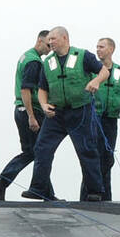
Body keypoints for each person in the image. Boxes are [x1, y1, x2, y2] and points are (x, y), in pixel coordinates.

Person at [23, 27, 107, 203]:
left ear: (64, 38)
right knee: (42, 148)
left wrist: (96, 81)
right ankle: (38, 188)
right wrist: (44, 104)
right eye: (49, 40)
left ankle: (95, 191)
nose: (50, 42)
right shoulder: (48, 62)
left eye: (53, 39)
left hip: (80, 112)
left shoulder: (84, 56)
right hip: (56, 114)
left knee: (87, 150)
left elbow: (104, 71)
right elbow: (42, 89)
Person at [0, 30, 50, 201]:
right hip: (30, 111)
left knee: (35, 152)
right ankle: (3, 183)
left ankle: (4, 183)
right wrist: (32, 115)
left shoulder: (26, 56)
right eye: (47, 45)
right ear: (39, 41)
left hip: (21, 110)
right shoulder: (34, 62)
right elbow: (26, 89)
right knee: (41, 151)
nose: (49, 50)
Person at [84, 37, 120, 202]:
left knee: (107, 157)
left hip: (111, 120)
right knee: (92, 157)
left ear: (111, 49)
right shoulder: (91, 70)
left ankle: (105, 197)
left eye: (101, 47)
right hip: (93, 118)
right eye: (97, 47)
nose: (98, 50)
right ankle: (87, 195)